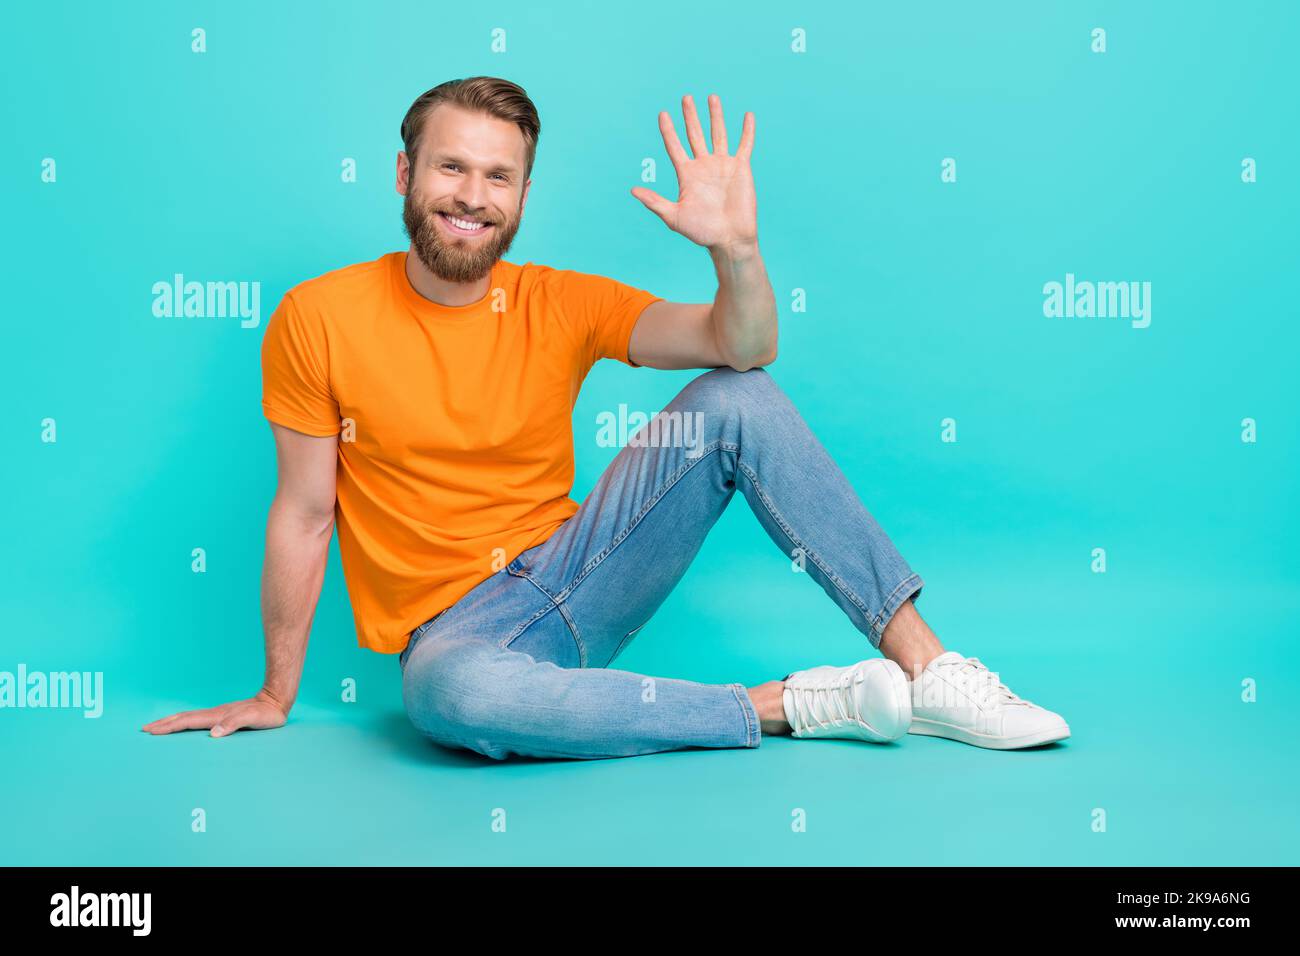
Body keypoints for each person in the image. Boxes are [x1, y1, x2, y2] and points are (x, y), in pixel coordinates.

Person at [143, 76, 1070, 759]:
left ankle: (932, 671)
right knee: (447, 697)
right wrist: (275, 689)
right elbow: (306, 513)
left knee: (733, 396)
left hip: (581, 570)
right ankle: (787, 704)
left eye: (497, 177)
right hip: (456, 633)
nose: (472, 195)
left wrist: (737, 253)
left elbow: (743, 347)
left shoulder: (558, 301)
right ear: (403, 172)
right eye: (451, 167)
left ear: (523, 198)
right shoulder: (318, 317)